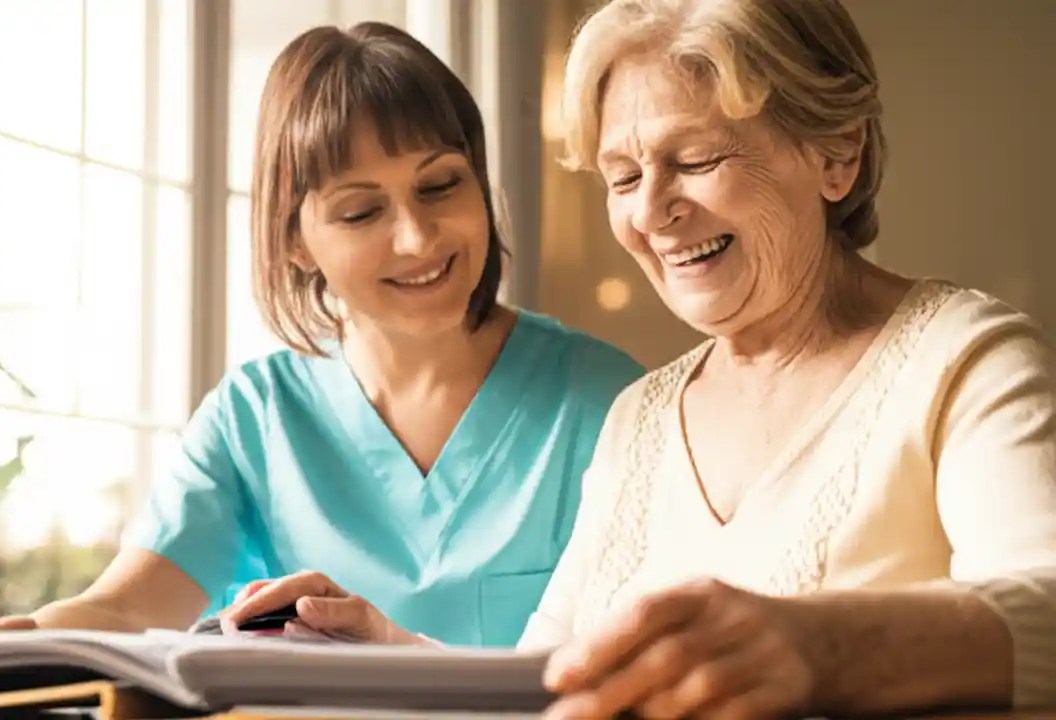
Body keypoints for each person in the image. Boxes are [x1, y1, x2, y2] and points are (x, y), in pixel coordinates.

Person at [222, 1, 1056, 717]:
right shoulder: (642, 418)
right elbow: (549, 683)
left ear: (837, 156)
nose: (654, 212)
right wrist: (386, 648)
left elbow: (1048, 611)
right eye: (623, 176)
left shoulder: (963, 363)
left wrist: (817, 644)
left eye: (696, 160)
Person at [0, 21, 643, 649]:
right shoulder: (256, 417)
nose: (417, 237)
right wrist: (30, 640)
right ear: (295, 241)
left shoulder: (612, 402)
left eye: (441, 185)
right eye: (361, 211)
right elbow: (126, 605)